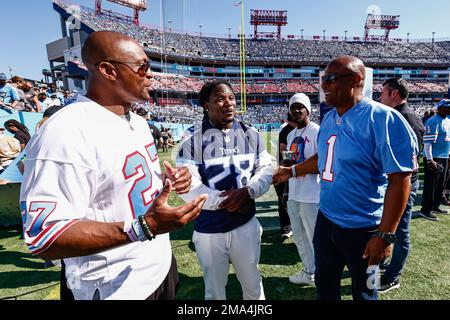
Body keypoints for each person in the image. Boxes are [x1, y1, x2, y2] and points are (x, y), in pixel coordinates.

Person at [20, 31, 208, 300]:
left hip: (159, 267)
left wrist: (170, 182)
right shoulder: (64, 131)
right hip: (113, 287)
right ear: (108, 70)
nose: (150, 74)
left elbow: (123, 191)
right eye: (141, 66)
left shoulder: (138, 122)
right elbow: (44, 236)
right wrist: (146, 226)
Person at [273, 56, 417, 300]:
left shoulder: (384, 119)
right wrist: (292, 170)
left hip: (364, 227)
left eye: (331, 79)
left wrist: (385, 234)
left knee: (365, 294)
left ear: (357, 80)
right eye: (322, 80)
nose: (324, 86)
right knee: (325, 290)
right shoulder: (329, 118)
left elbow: (400, 179)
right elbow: (324, 158)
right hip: (327, 221)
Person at [176, 80, 272, 300]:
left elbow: (266, 169)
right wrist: (225, 201)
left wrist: (249, 191)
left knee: (253, 285)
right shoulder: (192, 139)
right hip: (210, 228)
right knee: (214, 291)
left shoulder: (251, 133)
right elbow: (187, 186)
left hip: (245, 224)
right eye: (219, 98)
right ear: (206, 105)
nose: (228, 103)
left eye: (231, 98)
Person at [378, 77, 424, 292]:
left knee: (400, 232)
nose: (379, 97)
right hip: (391, 184)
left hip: (403, 186)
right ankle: (384, 264)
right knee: (387, 227)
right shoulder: (397, 116)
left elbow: (411, 161)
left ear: (394, 94)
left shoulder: (407, 119)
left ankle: (392, 277)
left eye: (383, 93)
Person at [275, 93, 320, 286]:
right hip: (294, 193)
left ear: (308, 109)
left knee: (314, 239)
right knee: (300, 238)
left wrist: (293, 168)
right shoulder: (291, 134)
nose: (296, 110)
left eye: (300, 107)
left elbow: (321, 163)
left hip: (312, 194)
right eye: (293, 107)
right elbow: (290, 164)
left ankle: (321, 274)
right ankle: (309, 272)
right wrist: (285, 192)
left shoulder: (317, 131)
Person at [420, 99, 450, 221]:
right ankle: (425, 210)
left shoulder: (447, 120)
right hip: (434, 157)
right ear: (440, 108)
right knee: (430, 185)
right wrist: (429, 159)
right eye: (447, 107)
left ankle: (436, 206)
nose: (449, 109)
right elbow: (428, 143)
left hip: (444, 156)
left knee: (440, 184)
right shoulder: (433, 121)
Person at [275, 112, 295, 240]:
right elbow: (284, 152)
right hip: (286, 171)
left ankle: (289, 226)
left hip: (290, 171)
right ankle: (286, 227)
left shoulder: (294, 130)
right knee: (284, 200)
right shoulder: (287, 131)